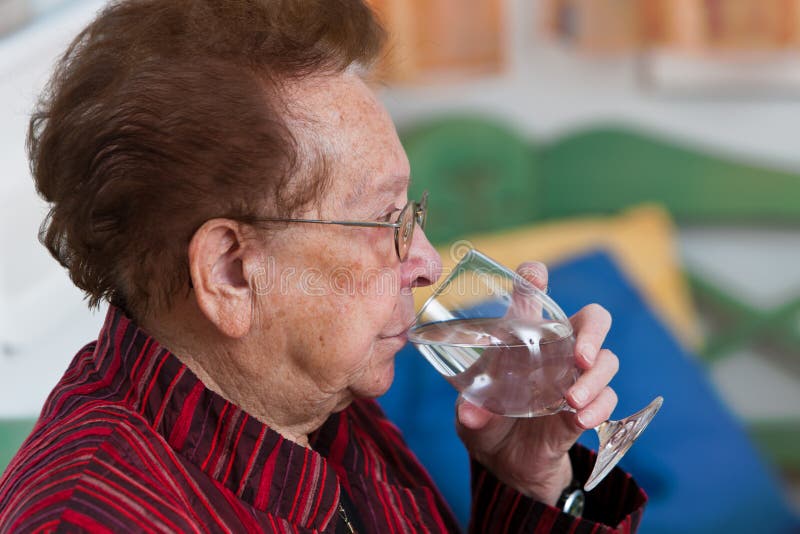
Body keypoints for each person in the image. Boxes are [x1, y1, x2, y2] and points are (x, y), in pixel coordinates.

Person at [0, 1, 647, 531]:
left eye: (412, 211)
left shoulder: (321, 404)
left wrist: (533, 485)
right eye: (387, 221)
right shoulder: (90, 519)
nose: (424, 261)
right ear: (230, 273)